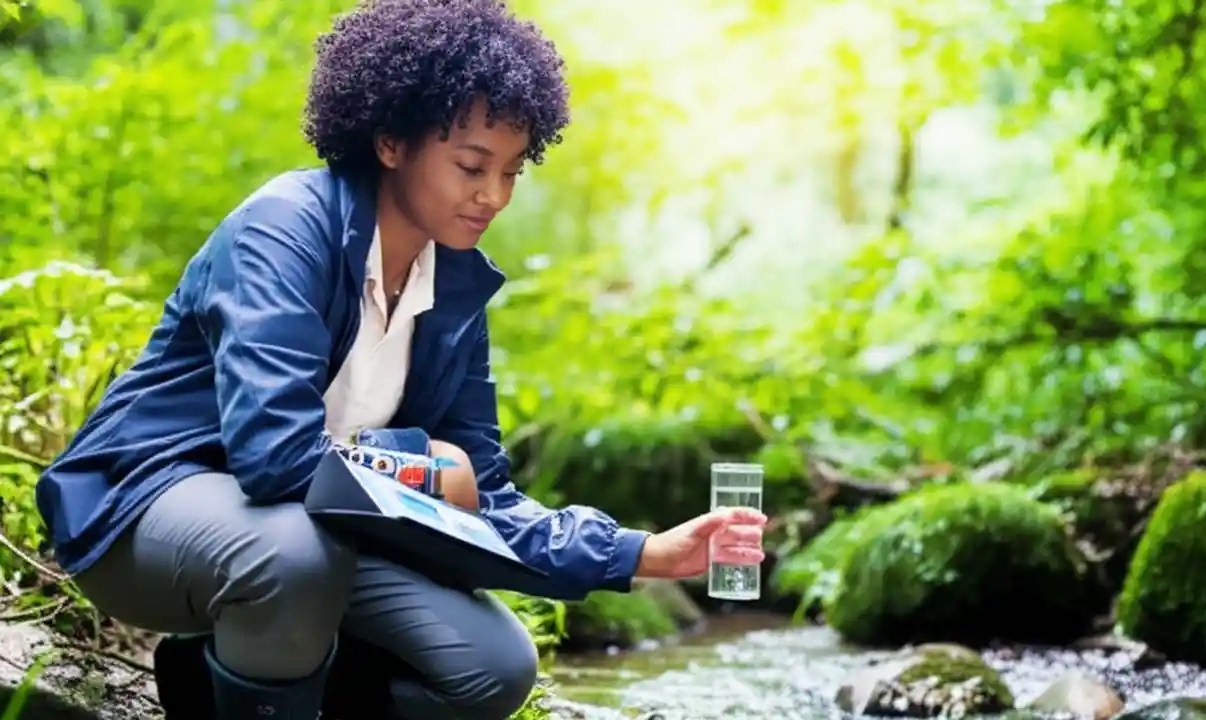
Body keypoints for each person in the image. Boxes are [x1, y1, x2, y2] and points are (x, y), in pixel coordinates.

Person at [33, 1, 768, 718]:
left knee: (494, 668)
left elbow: (484, 498)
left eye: (512, 171)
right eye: (471, 165)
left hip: (314, 533)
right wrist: (424, 464)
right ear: (391, 142)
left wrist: (643, 553)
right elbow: (272, 458)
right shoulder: (283, 230)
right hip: (148, 514)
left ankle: (211, 679)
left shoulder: (453, 288)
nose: (492, 196)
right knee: (294, 557)